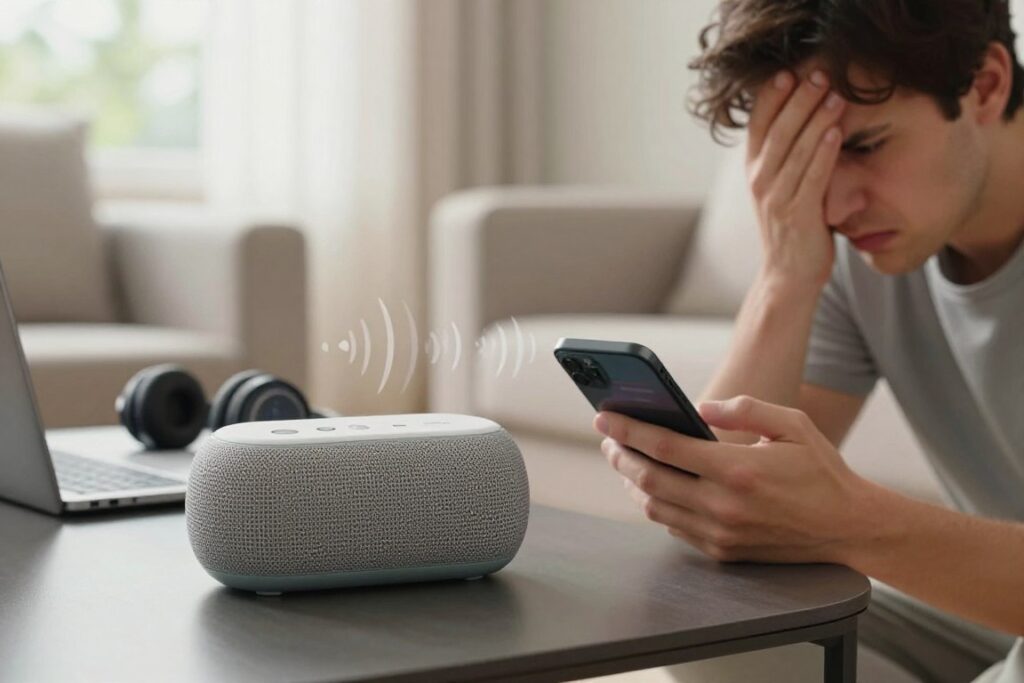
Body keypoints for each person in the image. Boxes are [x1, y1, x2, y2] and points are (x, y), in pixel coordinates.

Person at [592, 2, 1024, 681]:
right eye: (806, 158)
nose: (834, 205)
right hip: (986, 617)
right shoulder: (863, 250)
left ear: (987, 84)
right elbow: (725, 503)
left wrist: (854, 521)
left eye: (864, 145)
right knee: (709, 631)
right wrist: (784, 276)